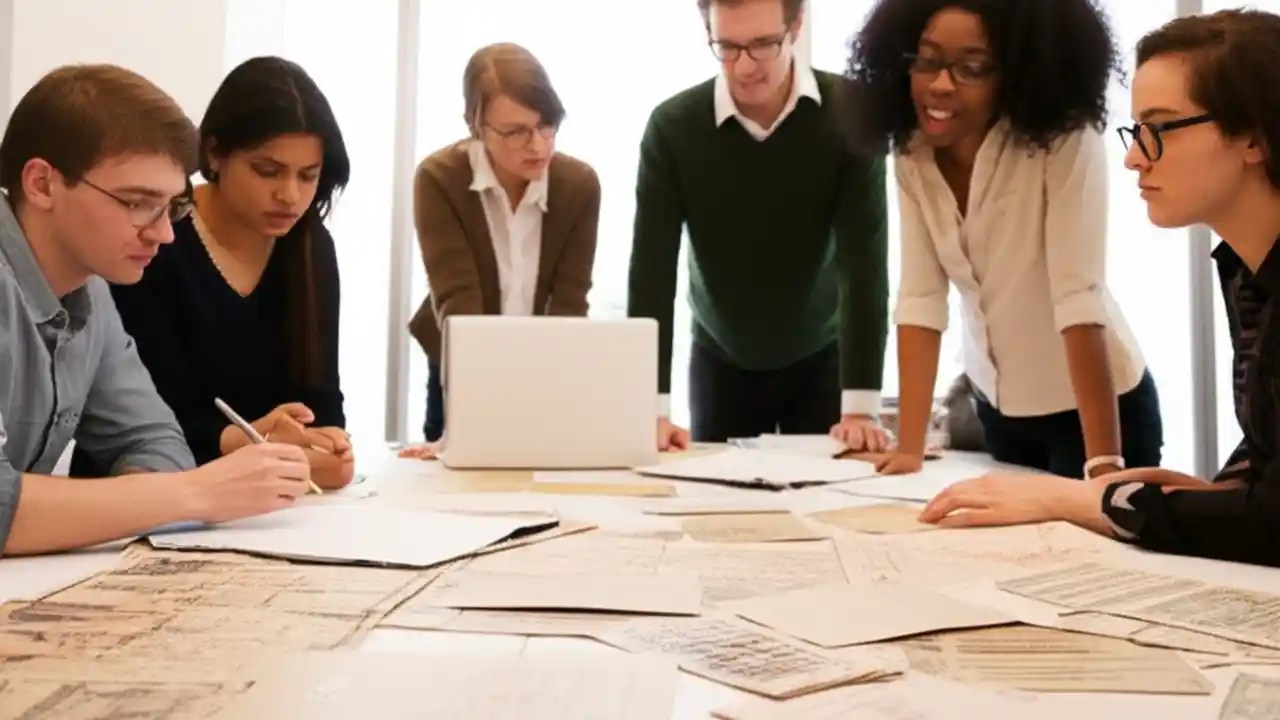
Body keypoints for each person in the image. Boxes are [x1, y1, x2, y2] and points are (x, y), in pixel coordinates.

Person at [919, 9, 1280, 567]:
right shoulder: (1245, 271)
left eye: (1159, 130)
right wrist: (1216, 492)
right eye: (1136, 131)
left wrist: (1084, 498)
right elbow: (1267, 451)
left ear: (1253, 136)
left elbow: (1272, 525)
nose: (1134, 158)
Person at [0, 64, 312, 556]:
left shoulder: (90, 289)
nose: (164, 234)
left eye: (172, 207)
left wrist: (170, 493)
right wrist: (195, 494)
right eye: (136, 203)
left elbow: (156, 443)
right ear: (42, 184)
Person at [845, 0, 1163, 480]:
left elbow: (1078, 298)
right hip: (998, 412)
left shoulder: (1065, 140)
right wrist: (909, 449)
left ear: (1015, 73)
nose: (941, 84)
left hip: (1098, 416)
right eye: (927, 61)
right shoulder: (912, 152)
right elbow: (920, 298)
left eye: (972, 68)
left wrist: (1102, 465)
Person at [68, 57, 354, 490]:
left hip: (263, 497)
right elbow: (134, 420)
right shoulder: (156, 239)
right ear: (216, 154)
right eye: (268, 171)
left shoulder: (309, 245)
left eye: (308, 176)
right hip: (141, 491)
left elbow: (322, 400)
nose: (290, 195)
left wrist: (329, 445)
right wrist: (254, 443)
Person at [629, 0, 890, 452]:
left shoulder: (850, 114)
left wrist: (862, 406)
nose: (744, 66)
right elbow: (651, 275)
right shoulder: (672, 128)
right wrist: (647, 409)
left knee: (828, 490)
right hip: (720, 357)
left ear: (796, 25)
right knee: (718, 492)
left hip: (823, 355)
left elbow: (865, 264)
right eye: (727, 47)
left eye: (763, 44)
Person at [406, 43, 600, 450]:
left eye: (547, 125)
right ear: (475, 125)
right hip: (459, 358)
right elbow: (457, 302)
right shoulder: (439, 179)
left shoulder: (579, 185)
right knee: (456, 470)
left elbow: (570, 303)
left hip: (544, 359)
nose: (538, 145)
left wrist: (568, 403)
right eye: (515, 132)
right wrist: (466, 423)